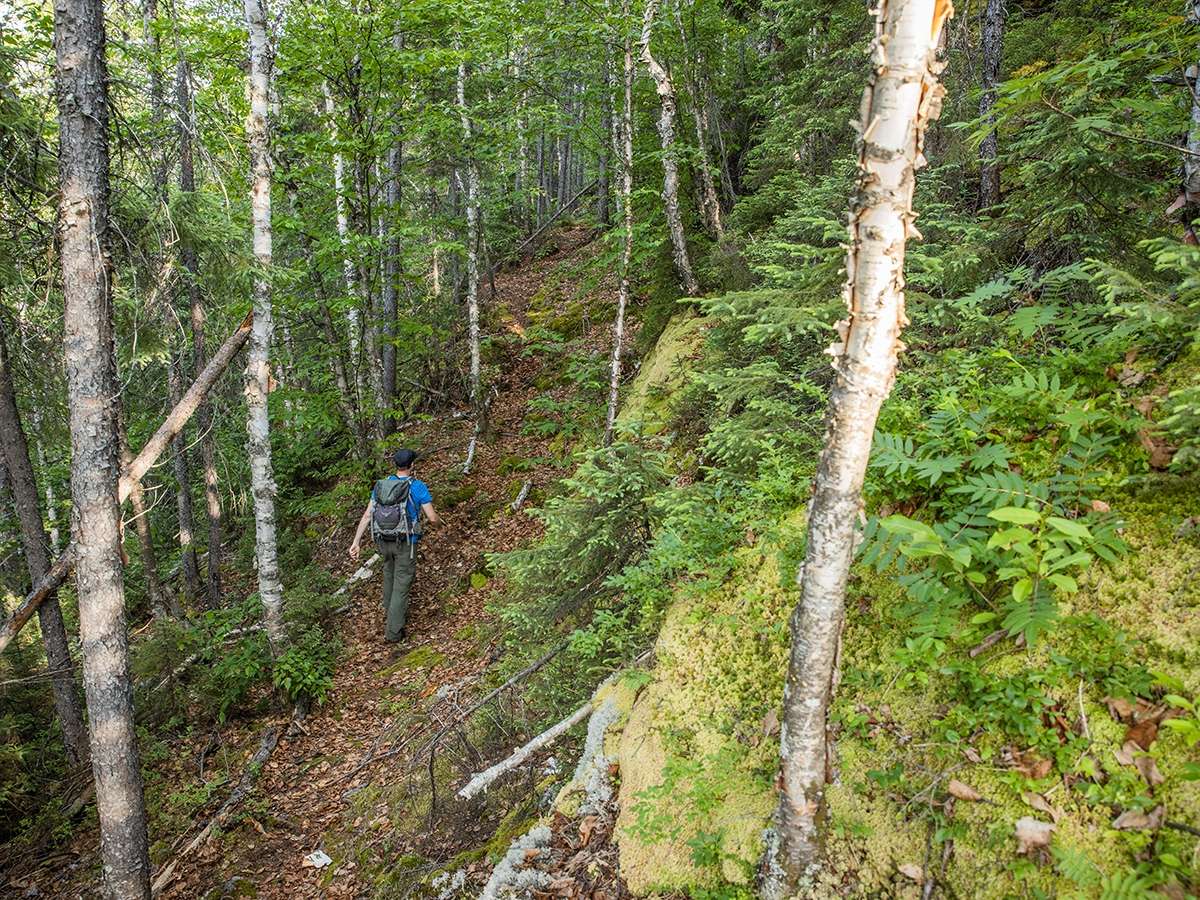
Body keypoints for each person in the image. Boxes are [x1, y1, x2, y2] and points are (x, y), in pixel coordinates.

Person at [349, 448, 438, 644]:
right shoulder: (417, 486)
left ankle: (389, 617)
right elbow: (431, 518)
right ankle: (394, 633)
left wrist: (356, 542)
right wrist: (439, 521)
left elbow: (367, 515)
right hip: (406, 543)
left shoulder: (382, 486)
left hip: (383, 541)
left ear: (395, 465)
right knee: (402, 585)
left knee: (389, 577)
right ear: (412, 465)